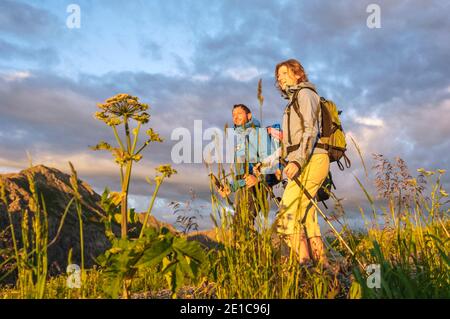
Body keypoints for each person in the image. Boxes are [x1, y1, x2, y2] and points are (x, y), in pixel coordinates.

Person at [275, 59, 330, 266]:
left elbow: (311, 130)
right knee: (307, 216)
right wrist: (285, 163)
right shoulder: (292, 101)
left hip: (311, 160)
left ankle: (304, 264)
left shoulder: (305, 94)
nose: (280, 78)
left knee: (287, 214)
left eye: (284, 72)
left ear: (298, 74)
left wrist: (297, 162)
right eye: (278, 75)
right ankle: (323, 266)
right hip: (306, 160)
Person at [217, 104, 280, 232]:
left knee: (241, 226)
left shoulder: (258, 133)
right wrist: (231, 187)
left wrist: (258, 178)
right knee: (240, 227)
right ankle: (253, 251)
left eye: (239, 113)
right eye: (233, 115)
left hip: (258, 187)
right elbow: (243, 176)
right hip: (246, 190)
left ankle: (259, 251)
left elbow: (270, 163)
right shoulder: (240, 140)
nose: (235, 117)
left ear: (249, 116)